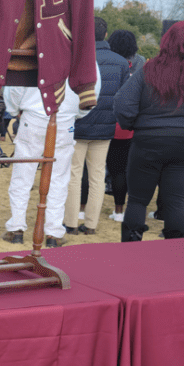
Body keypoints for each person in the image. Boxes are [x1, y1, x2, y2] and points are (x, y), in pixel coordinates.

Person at [114, 21, 184, 241]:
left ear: (167, 41)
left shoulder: (148, 70)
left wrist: (134, 125)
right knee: (176, 200)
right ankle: (173, 251)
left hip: (148, 140)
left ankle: (130, 246)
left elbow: (123, 104)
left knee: (137, 200)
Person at [1, 65, 100, 248]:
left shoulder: (35, 47)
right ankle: (53, 233)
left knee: (22, 175)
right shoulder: (82, 51)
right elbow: (92, 88)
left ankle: (16, 228)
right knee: (59, 179)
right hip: (65, 119)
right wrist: (76, 113)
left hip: (33, 116)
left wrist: (15, 110)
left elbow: (15, 86)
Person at [62, 17, 129, 236]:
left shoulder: (76, 58)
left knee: (74, 174)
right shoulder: (120, 62)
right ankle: (91, 224)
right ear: (105, 35)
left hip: (79, 125)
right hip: (105, 128)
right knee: (97, 176)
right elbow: (122, 97)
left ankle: (70, 222)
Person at [104, 29, 146, 221]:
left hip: (106, 118)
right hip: (130, 121)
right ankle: (120, 208)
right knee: (123, 166)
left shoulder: (107, 60)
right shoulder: (141, 63)